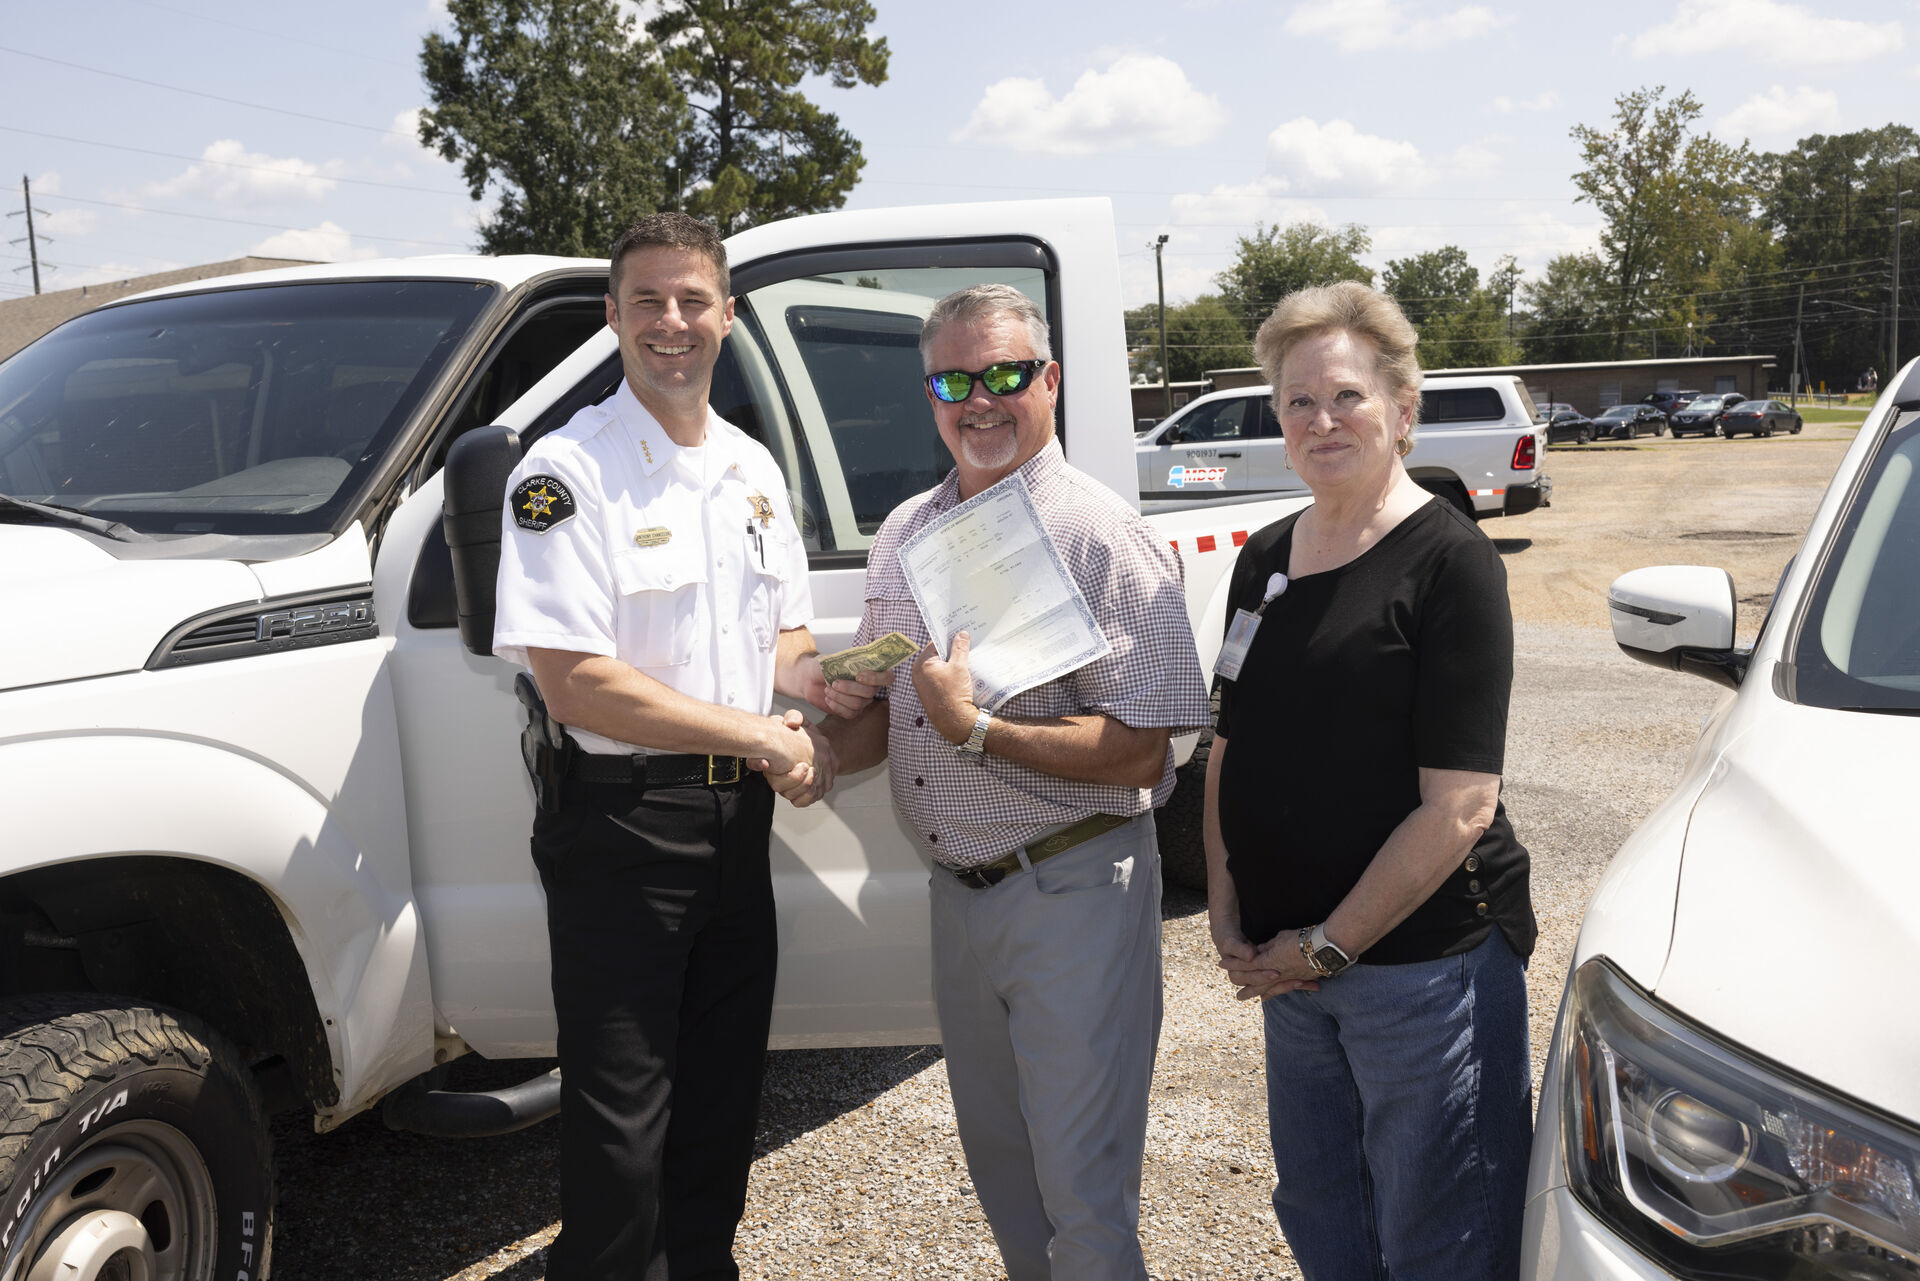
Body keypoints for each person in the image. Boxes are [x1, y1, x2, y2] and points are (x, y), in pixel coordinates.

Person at [491, 212, 872, 1281]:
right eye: (648, 301)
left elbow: (783, 641)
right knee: (622, 1125)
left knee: (718, 1101)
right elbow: (577, 681)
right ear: (612, 319)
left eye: (693, 299)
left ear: (729, 317)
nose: (673, 322)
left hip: (734, 823)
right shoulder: (566, 472)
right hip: (622, 826)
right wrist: (760, 731)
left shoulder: (751, 467)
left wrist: (831, 685)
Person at [809, 283, 1211, 1280]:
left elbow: (1140, 755)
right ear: (930, 393)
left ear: (1052, 381)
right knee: (1007, 1176)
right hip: (963, 898)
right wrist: (812, 748)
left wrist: (977, 729)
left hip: (1073, 892)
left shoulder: (1101, 536)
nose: (979, 400)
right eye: (954, 379)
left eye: (1004, 375)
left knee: (1082, 1197)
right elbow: (890, 710)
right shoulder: (907, 531)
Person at [1203, 280, 1536, 1280]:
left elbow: (1461, 805)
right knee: (1324, 1217)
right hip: (1289, 967)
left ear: (1404, 409)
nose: (1321, 420)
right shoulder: (1264, 558)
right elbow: (1229, 744)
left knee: (1440, 1236)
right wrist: (1227, 909)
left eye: (1346, 395)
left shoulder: (1451, 564)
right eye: (1297, 401)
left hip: (1420, 974)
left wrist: (1329, 949)